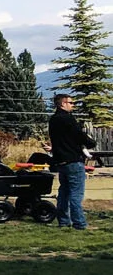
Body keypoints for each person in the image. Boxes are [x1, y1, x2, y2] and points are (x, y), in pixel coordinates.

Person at [49, 94, 95, 230]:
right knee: (76, 193)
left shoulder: (53, 120)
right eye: (71, 103)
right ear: (63, 104)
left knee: (64, 192)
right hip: (73, 160)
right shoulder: (68, 119)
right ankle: (79, 223)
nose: (73, 105)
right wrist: (91, 142)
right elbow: (79, 135)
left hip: (60, 161)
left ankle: (63, 221)